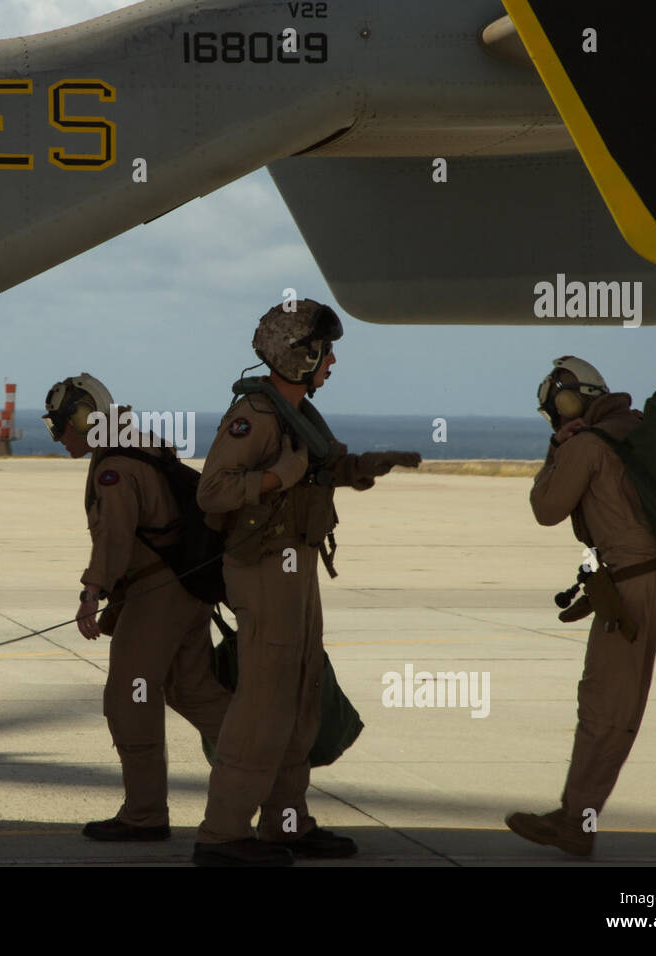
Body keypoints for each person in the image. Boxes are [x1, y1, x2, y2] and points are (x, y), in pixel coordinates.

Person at [193, 300, 421, 866]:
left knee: (300, 694)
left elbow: (323, 467)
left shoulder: (297, 415)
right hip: (264, 569)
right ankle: (222, 834)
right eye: (325, 351)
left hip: (297, 566)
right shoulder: (257, 416)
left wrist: (368, 464)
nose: (332, 361)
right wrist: (277, 476)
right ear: (299, 355)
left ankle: (285, 823)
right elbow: (213, 491)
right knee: (263, 702)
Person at [507, 357, 656, 865]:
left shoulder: (585, 445)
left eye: (556, 405)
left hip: (631, 594)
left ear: (571, 400)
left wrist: (557, 448)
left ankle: (577, 822)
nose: (555, 414)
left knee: (607, 713)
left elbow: (546, 509)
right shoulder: (654, 433)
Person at [44, 373, 232, 841]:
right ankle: (271, 760)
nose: (56, 436)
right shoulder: (140, 444)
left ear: (84, 420)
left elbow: (115, 536)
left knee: (130, 697)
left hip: (157, 595)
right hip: (186, 590)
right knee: (192, 690)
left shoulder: (115, 467)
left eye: (59, 425)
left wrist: (92, 593)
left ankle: (145, 815)